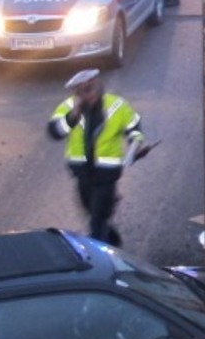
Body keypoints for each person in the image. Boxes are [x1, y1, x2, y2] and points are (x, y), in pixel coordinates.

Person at [49, 69, 144, 247]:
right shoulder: (69, 108)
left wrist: (135, 143)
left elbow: (134, 127)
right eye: (84, 91)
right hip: (82, 173)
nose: (89, 94)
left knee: (97, 222)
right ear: (77, 94)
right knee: (90, 211)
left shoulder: (117, 105)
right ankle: (113, 241)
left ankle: (101, 260)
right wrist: (72, 117)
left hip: (106, 175)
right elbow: (55, 132)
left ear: (99, 86)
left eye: (92, 89)